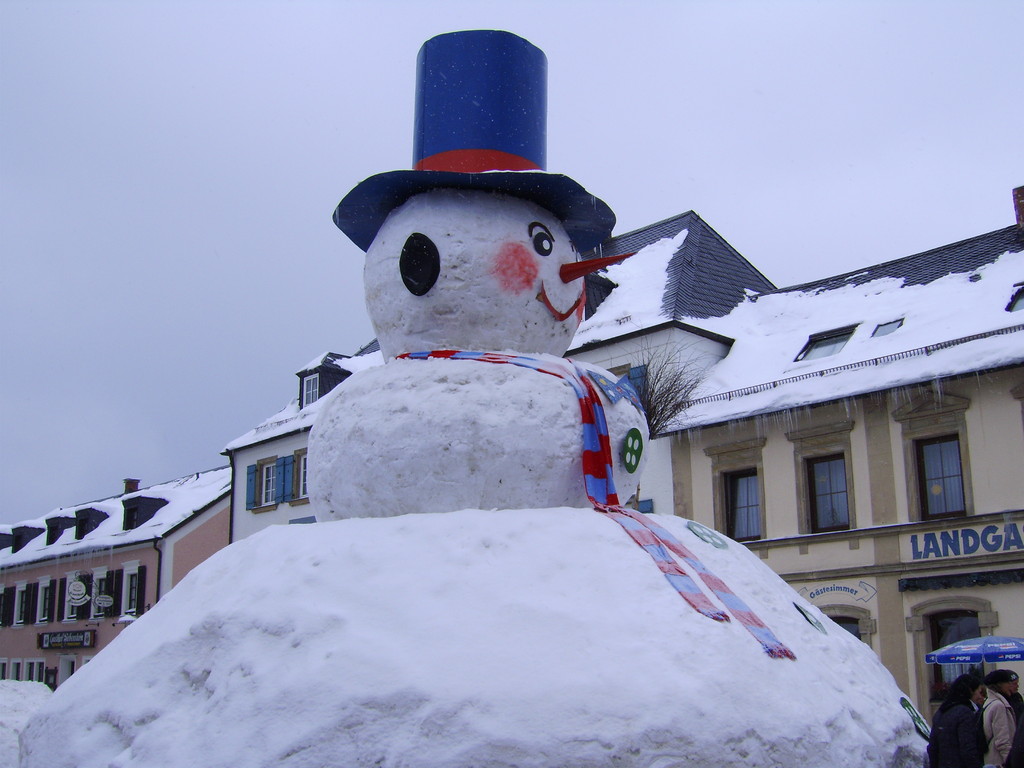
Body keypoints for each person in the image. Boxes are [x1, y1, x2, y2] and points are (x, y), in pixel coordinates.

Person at [928, 673, 985, 768]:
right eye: (979, 692)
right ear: (970, 691)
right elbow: (968, 749)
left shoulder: (940, 712)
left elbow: (933, 749)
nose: (980, 697)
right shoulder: (965, 713)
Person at [982, 669, 1019, 767]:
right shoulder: (999, 706)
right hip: (999, 761)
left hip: (991, 760)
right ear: (1000, 685)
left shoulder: (988, 702)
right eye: (1008, 683)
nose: (1010, 686)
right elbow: (1003, 741)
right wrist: (1011, 762)